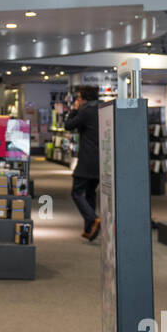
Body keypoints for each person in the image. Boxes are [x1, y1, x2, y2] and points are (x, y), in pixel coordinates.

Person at [64, 85, 101, 240]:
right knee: (90, 193)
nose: (77, 100)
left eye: (78, 97)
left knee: (77, 192)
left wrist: (74, 109)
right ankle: (90, 229)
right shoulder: (102, 108)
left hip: (87, 159)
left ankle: (93, 219)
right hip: (100, 160)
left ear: (83, 98)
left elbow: (68, 125)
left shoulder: (86, 111)